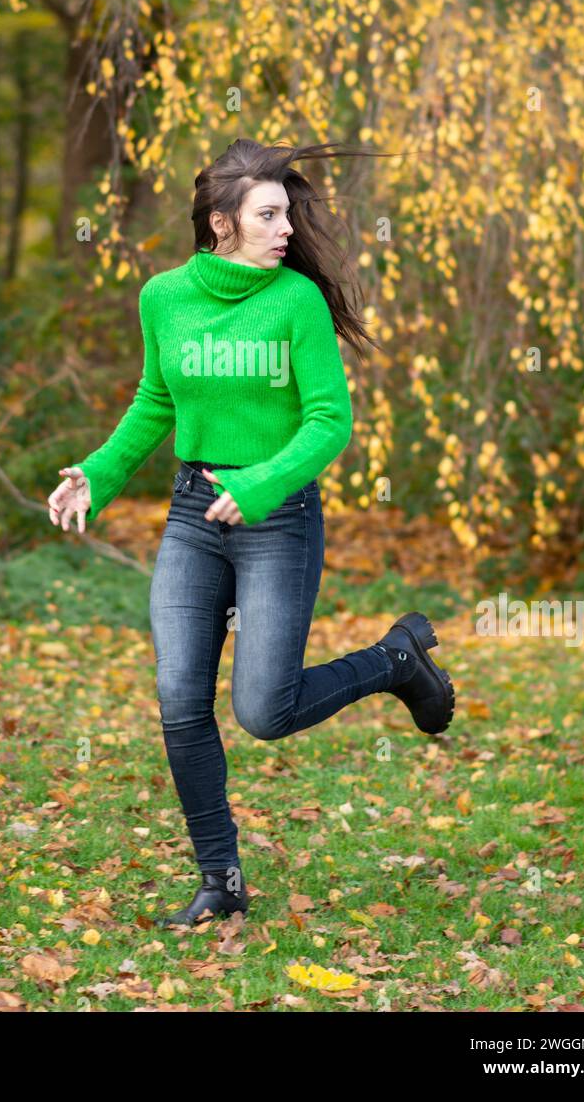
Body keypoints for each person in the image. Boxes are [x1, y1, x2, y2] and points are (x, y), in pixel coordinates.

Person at [47, 139, 455, 929]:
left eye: (288, 215)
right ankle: (221, 880)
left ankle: (396, 659)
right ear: (219, 221)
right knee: (178, 701)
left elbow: (329, 422)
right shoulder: (164, 298)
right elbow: (156, 404)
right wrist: (99, 472)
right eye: (268, 216)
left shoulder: (296, 301)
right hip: (192, 515)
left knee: (266, 709)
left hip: (278, 518)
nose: (286, 230)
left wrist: (261, 484)